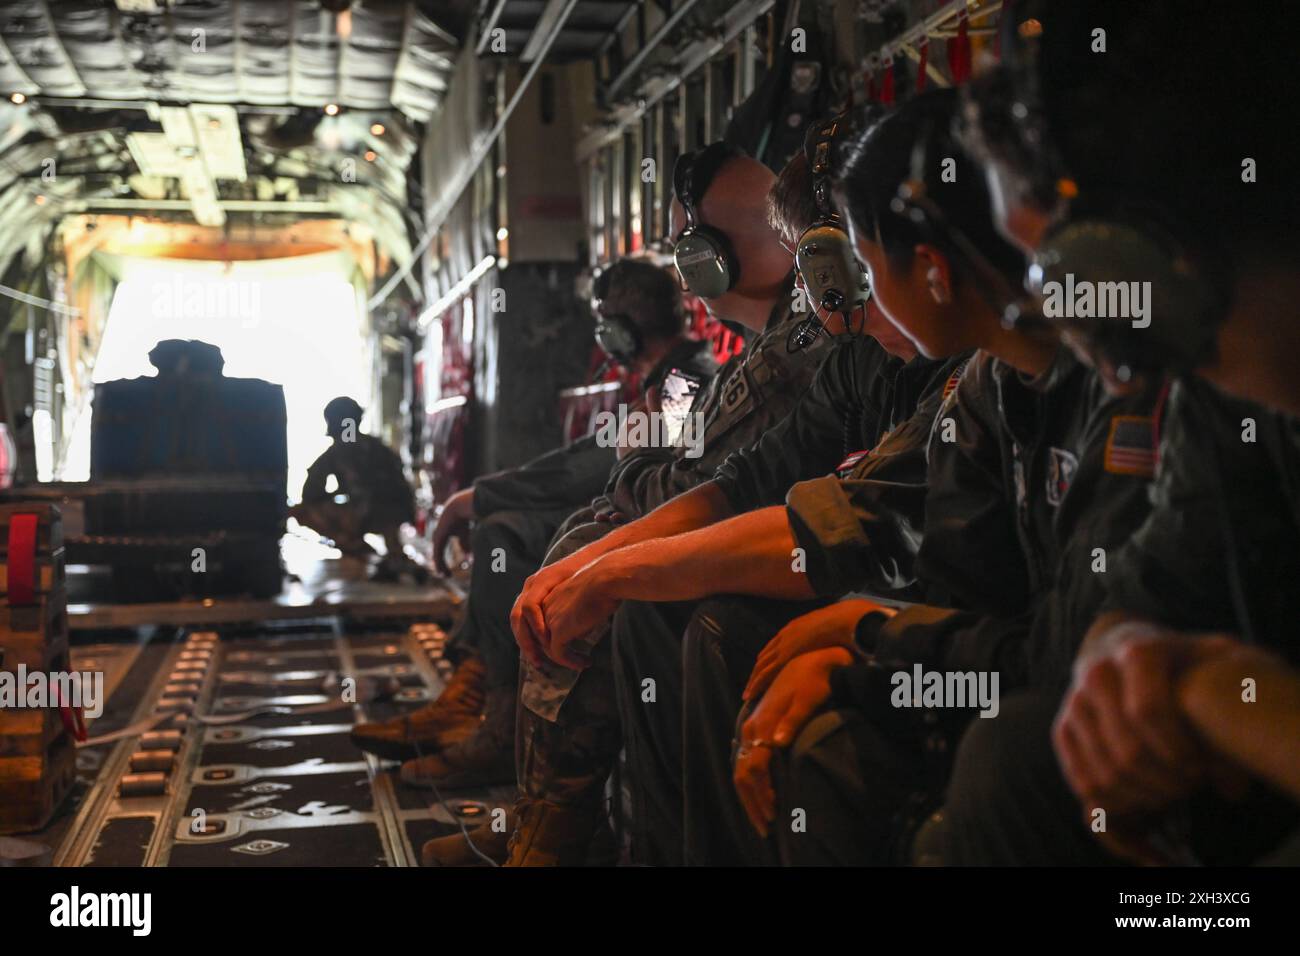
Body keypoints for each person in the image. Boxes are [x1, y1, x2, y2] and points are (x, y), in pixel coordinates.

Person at [509, 108, 974, 865]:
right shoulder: (863, 355)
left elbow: (850, 524)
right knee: (645, 609)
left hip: (961, 631)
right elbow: (737, 483)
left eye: (835, 271)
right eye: (815, 277)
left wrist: (612, 568)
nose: (826, 307)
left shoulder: (960, 372)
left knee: (712, 624)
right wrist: (591, 570)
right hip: (913, 602)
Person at [721, 87, 1166, 866]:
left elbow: (1057, 658)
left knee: (1000, 754)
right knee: (820, 738)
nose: (852, 298)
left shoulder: (1123, 394)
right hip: (1009, 685)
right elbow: (952, 595)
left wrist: (864, 638)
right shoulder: (988, 393)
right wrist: (863, 661)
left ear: (928, 268)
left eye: (865, 262)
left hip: (1098, 730)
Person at [938, 0, 1300, 866]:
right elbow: (1153, 586)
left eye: (1070, 280)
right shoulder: (1227, 398)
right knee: (1020, 766)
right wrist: (1126, 660)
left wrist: (1224, 697)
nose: (1078, 339)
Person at [423, 141, 835, 866]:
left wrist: (615, 506)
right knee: (542, 533)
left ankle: (561, 822)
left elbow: (687, 476)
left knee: (578, 553)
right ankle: (546, 802)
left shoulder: (752, 359)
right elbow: (681, 469)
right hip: (733, 526)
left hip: (779, 556)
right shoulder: (747, 352)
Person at [350, 258, 716, 788]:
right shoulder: (676, 376)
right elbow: (602, 454)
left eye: (604, 323)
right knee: (501, 522)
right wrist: (485, 495)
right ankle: (474, 693)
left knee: (502, 531)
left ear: (618, 331)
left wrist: (478, 497)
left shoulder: (684, 381)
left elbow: (603, 463)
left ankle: (498, 725)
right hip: (641, 516)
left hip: (653, 528)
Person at [291, 396, 421, 582]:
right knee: (390, 534)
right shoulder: (378, 446)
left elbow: (310, 494)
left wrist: (334, 495)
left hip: (367, 514)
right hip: (398, 514)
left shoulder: (339, 450)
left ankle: (357, 547)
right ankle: (392, 555)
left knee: (300, 512)